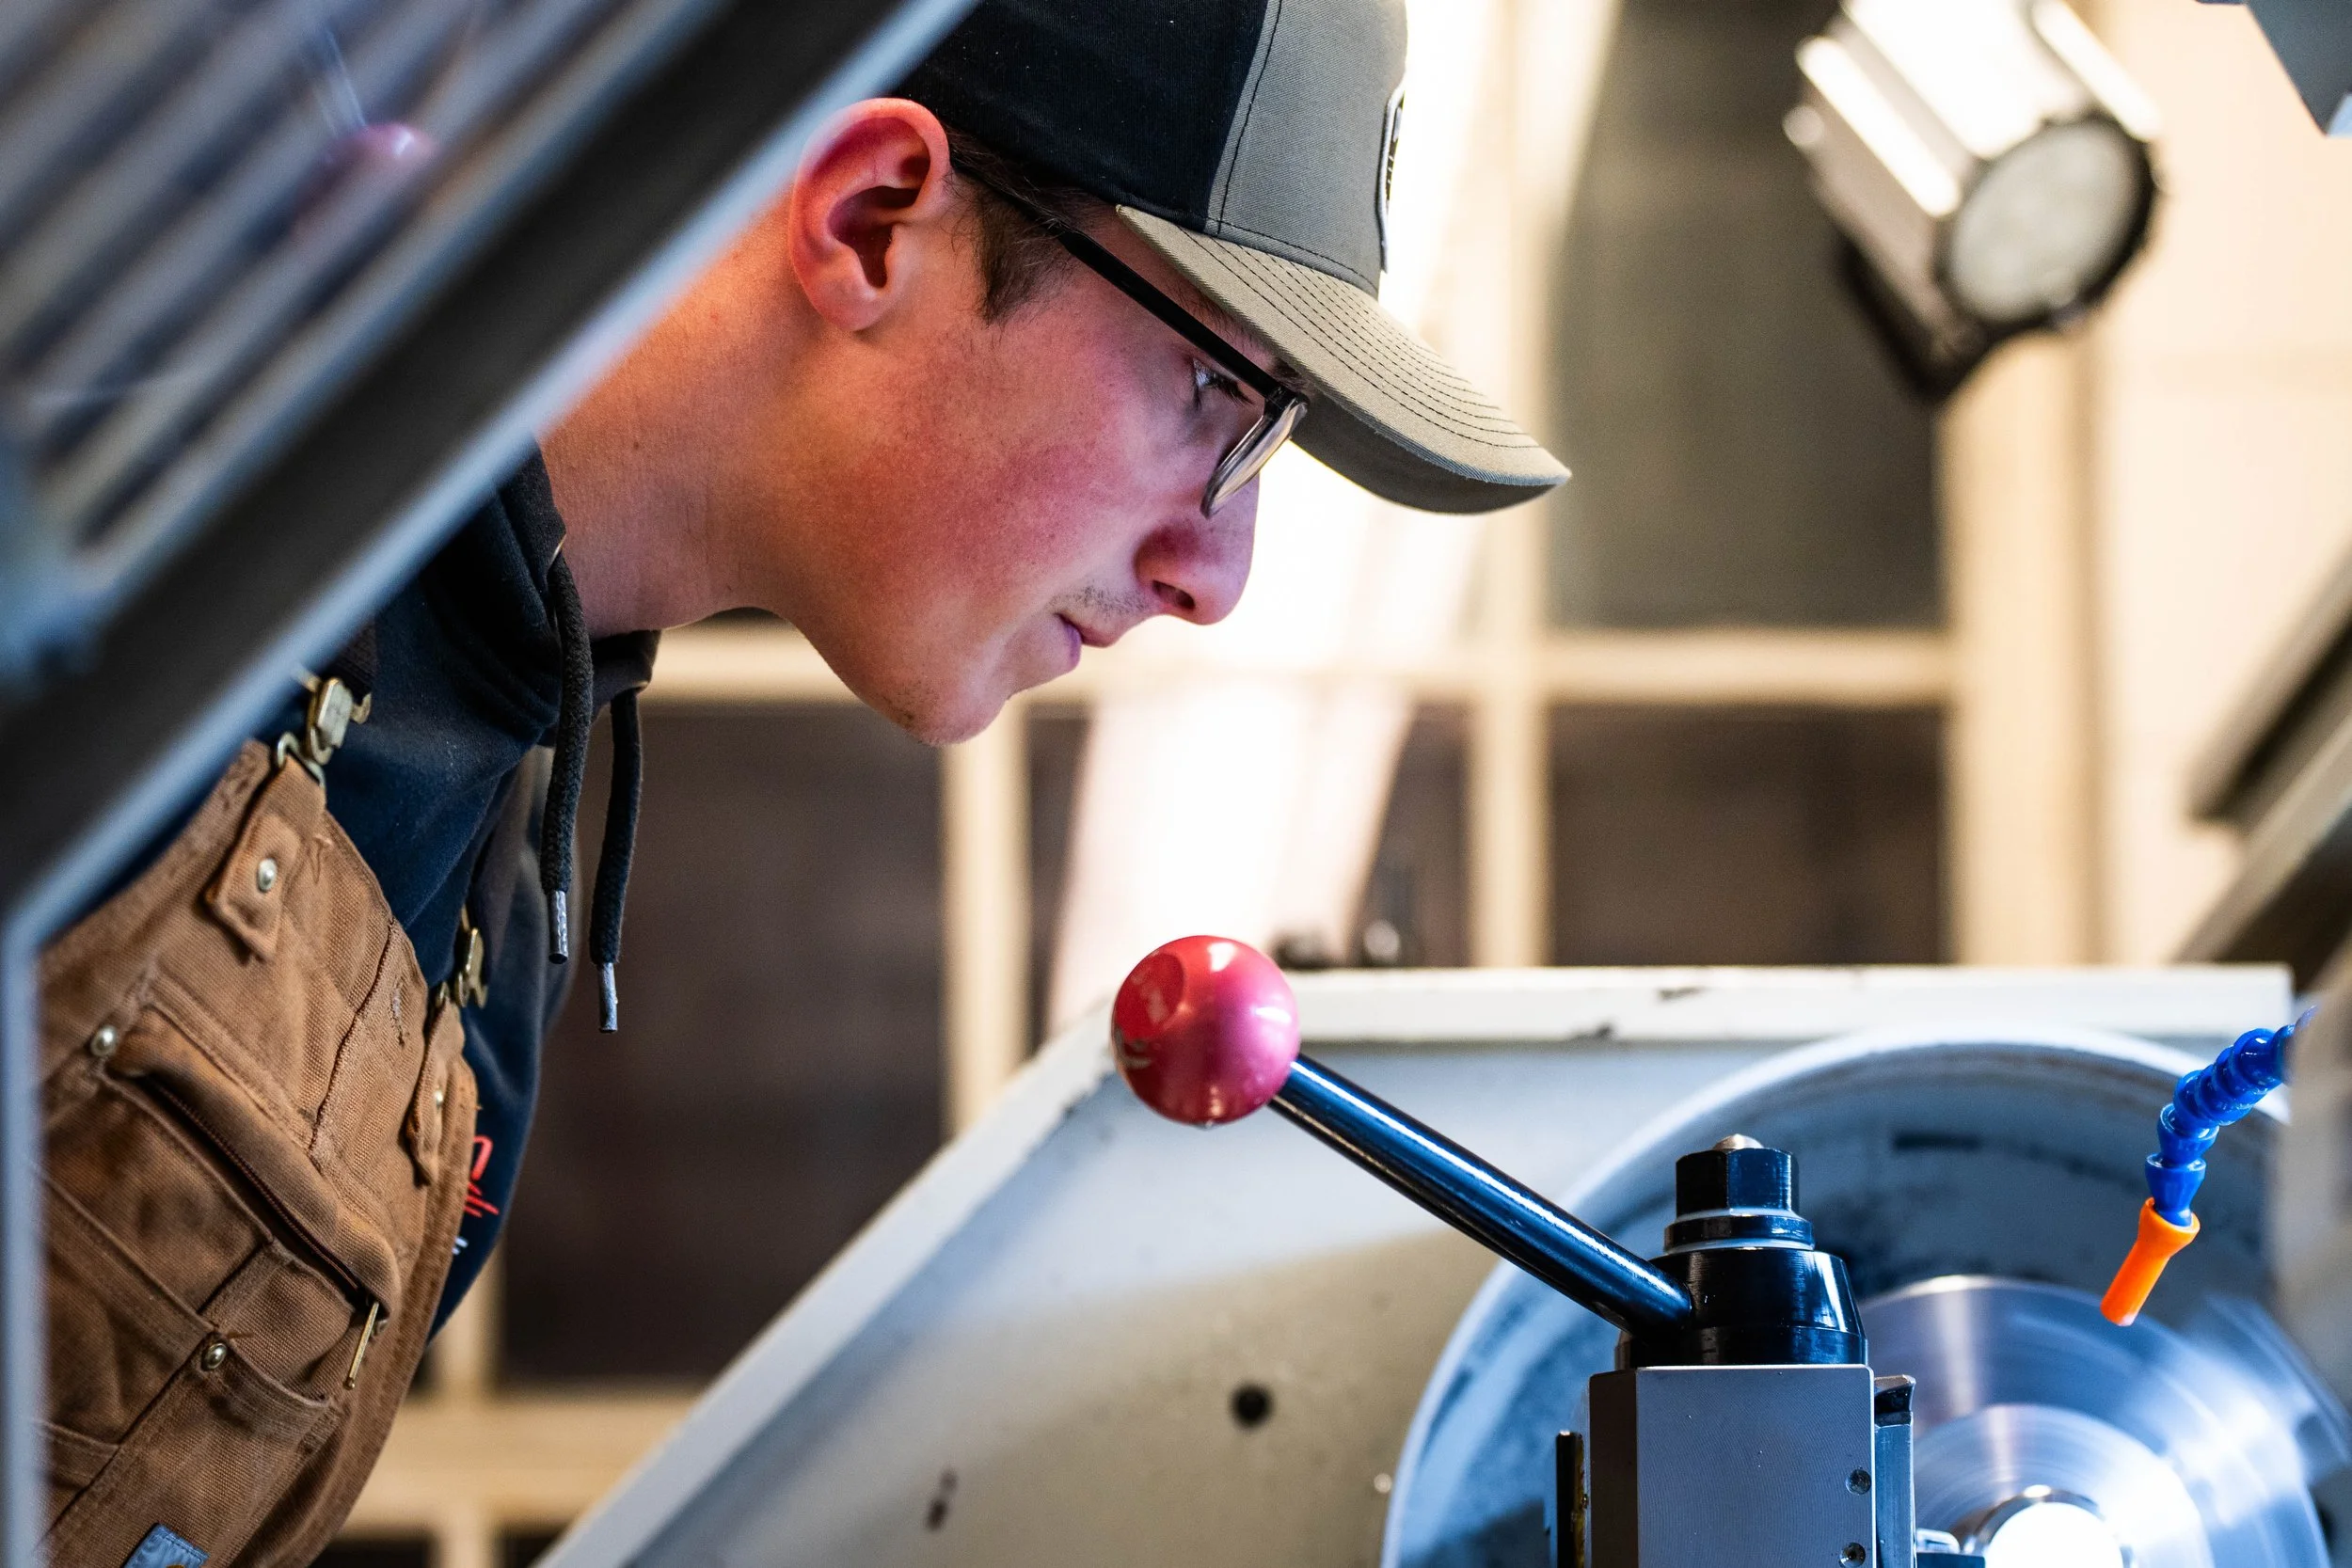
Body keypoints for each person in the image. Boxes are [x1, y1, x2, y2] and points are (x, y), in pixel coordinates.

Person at [35, 1, 1565, 1564]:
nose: (1215, 576)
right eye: (1214, 404)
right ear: (873, 219)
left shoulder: (500, 882)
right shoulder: (112, 550)